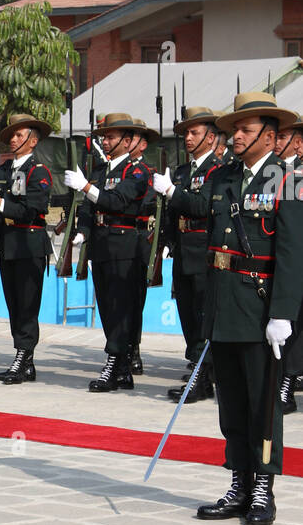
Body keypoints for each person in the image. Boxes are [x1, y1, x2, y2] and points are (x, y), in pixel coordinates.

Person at [154, 92, 303, 525]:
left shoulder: (286, 180)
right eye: (233, 129)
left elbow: (292, 254)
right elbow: (205, 220)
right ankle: (238, 480)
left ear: (270, 136)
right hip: (222, 305)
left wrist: (283, 314)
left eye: (244, 129)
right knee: (231, 401)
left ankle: (263, 487)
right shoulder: (222, 177)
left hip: (259, 308)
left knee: (262, 403)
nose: (234, 136)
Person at [65, 112, 151, 392]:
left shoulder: (137, 172)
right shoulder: (101, 171)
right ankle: (123, 369)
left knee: (121, 308)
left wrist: (87, 187)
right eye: (105, 136)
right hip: (101, 246)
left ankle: (114, 362)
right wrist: (82, 232)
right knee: (106, 306)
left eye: (111, 136)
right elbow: (88, 208)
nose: (106, 140)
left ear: (127, 142)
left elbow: (116, 201)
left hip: (125, 246)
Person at [0, 113, 53, 384]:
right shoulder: (4, 171)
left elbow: (31, 210)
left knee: (27, 305)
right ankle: (25, 360)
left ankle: (23, 356)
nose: (13, 139)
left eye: (19, 135)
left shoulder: (38, 171)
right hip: (9, 246)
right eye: (11, 135)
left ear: (32, 141)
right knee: (13, 304)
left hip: (29, 245)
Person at [160, 107, 224, 404]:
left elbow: (202, 207)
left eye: (194, 132)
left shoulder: (217, 170)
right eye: (186, 132)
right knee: (187, 312)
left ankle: (202, 376)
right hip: (184, 249)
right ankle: (201, 370)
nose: (188, 137)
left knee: (202, 313)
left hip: (203, 249)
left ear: (211, 137)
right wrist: (168, 241)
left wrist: (173, 192)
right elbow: (173, 213)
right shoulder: (184, 171)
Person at [126, 118, 162, 376]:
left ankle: (133, 350)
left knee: (134, 298)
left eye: (133, 139)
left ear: (143, 144)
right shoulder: (116, 171)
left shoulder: (146, 172)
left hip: (138, 237)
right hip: (117, 239)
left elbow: (147, 202)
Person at [274, 117, 303, 412]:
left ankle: (289, 380)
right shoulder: (280, 174)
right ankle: (285, 380)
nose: (278, 142)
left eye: (283, 137)